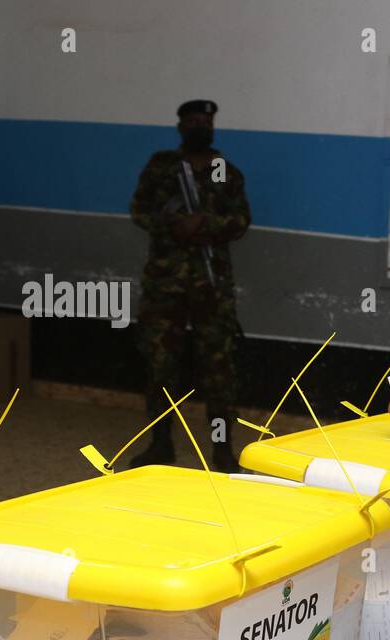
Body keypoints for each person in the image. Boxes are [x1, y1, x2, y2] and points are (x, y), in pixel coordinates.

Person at [128, 99, 252, 471]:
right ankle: (161, 445)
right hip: (164, 286)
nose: (200, 126)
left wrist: (205, 224)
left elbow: (241, 220)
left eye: (206, 121)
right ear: (181, 126)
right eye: (193, 121)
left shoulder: (224, 171)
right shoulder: (161, 166)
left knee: (219, 373)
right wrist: (173, 225)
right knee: (160, 367)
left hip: (211, 286)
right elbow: (139, 210)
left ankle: (222, 451)